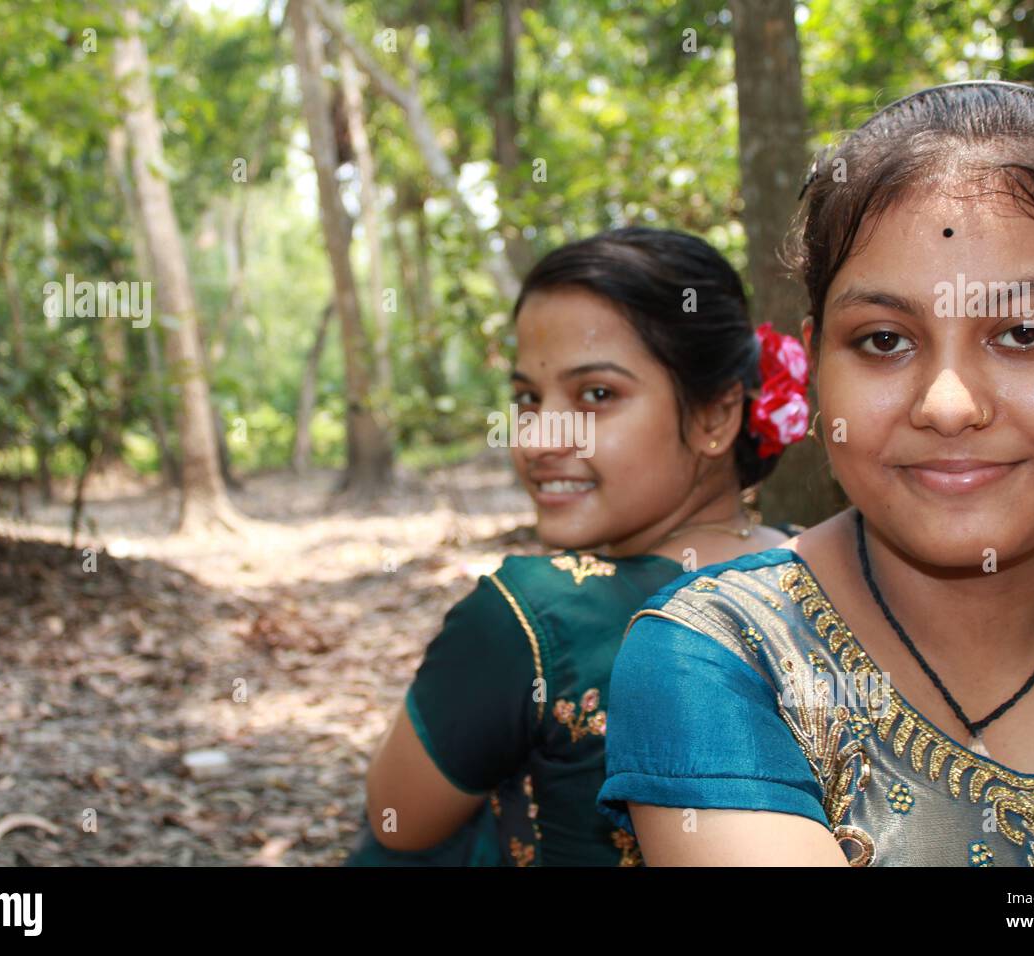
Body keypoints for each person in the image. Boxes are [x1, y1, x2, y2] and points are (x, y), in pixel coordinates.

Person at [597, 81, 1034, 867]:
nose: (947, 405)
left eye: (1023, 331)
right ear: (816, 369)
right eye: (883, 340)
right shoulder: (719, 659)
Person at [345, 227, 810, 865]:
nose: (538, 439)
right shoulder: (831, 571)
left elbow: (399, 822)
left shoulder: (529, 616)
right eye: (526, 399)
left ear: (715, 416)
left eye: (596, 395)